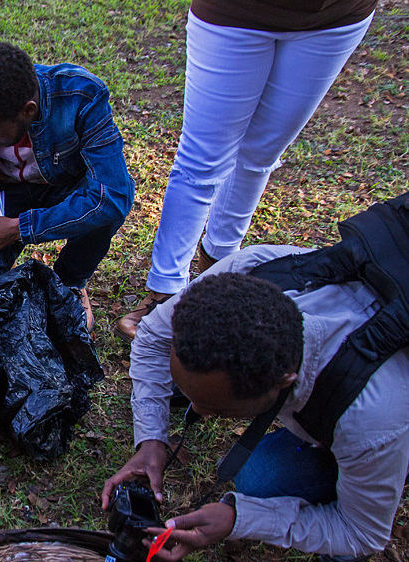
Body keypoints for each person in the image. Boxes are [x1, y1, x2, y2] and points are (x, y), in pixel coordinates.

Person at [102, 245, 409, 562]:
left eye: (216, 408)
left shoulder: (372, 422)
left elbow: (362, 532)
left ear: (283, 382)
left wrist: (241, 519)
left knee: (261, 482)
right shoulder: (254, 273)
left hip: (388, 408)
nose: (197, 411)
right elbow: (150, 336)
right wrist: (151, 438)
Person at [116, 0, 377, 341]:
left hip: (335, 18)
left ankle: (219, 274)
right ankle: (165, 292)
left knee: (259, 157)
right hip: (235, 13)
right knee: (201, 162)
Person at [0, 41, 135, 330]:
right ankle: (12, 293)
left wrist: (20, 227)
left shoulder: (81, 96)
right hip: (4, 193)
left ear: (28, 111)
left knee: (105, 207)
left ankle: (69, 282)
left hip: (66, 190)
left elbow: (112, 194)